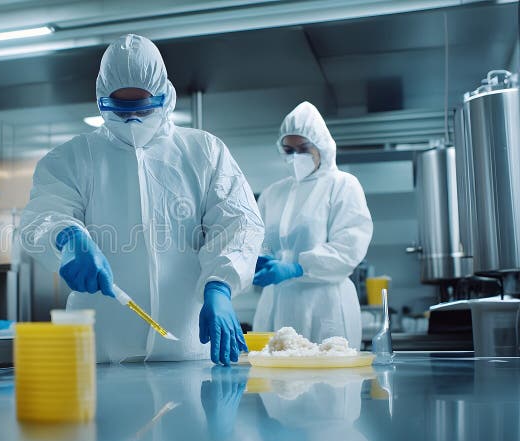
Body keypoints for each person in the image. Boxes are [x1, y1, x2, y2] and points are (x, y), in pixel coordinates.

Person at [20, 34, 264, 366]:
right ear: (101, 101)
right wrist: (68, 237)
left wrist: (220, 285)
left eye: (143, 108)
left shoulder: (204, 152)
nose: (133, 120)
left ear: (166, 97)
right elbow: (45, 211)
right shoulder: (72, 158)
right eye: (120, 110)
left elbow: (240, 222)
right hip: (100, 355)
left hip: (187, 352)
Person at [252, 102, 372, 348]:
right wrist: (257, 259)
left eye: (303, 149)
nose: (295, 157)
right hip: (277, 305)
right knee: (277, 381)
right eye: (288, 150)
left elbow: (349, 247)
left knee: (327, 381)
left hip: (325, 307)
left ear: (321, 147)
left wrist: (297, 268)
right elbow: (260, 240)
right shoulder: (273, 193)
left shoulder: (342, 185)